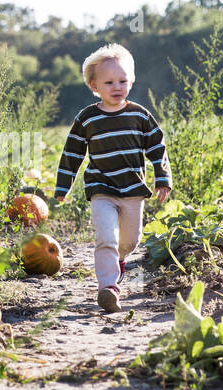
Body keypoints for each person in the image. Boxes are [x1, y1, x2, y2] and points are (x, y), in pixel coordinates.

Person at [53, 43, 171, 313]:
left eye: (122, 81)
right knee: (106, 236)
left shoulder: (139, 116)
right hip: (101, 188)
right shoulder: (87, 118)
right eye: (109, 82)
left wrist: (162, 178)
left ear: (131, 81)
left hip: (132, 189)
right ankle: (108, 288)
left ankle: (118, 260)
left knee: (130, 241)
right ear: (94, 86)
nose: (116, 87)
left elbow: (157, 147)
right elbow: (72, 152)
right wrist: (63, 186)